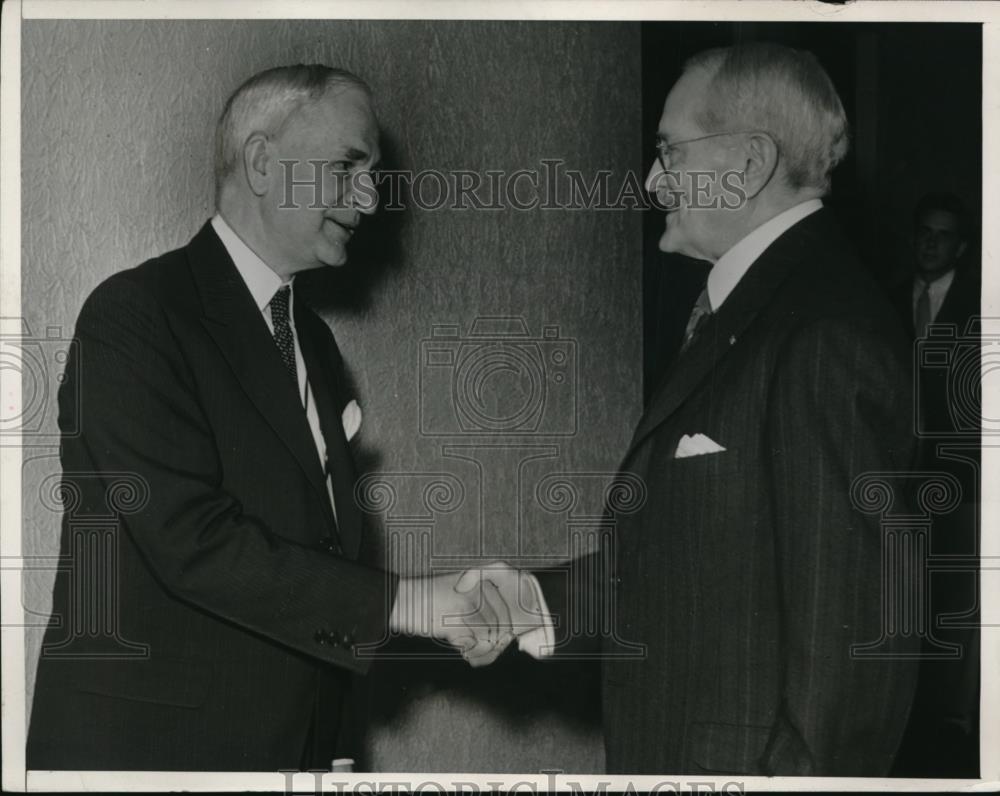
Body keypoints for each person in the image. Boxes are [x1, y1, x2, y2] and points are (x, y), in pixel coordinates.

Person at [27, 65, 524, 772]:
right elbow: (192, 542)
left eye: (373, 173)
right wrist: (408, 604)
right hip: (151, 756)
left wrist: (435, 621)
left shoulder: (311, 340)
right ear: (263, 162)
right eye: (349, 164)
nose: (370, 196)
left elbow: (306, 557)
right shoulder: (137, 316)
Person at [515, 42, 920, 776]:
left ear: (747, 164)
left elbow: (856, 653)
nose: (650, 179)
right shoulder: (752, 307)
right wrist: (534, 601)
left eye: (669, 151)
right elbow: (709, 567)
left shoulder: (826, 330)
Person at [889, 192, 980, 777]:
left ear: (961, 247)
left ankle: (953, 721)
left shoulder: (977, 312)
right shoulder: (885, 299)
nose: (929, 243)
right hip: (894, 477)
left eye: (942, 235)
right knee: (900, 594)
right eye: (923, 232)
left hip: (956, 480)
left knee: (951, 598)